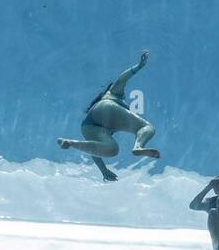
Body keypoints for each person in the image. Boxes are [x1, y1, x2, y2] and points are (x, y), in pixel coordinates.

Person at [57, 51, 159, 181]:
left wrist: (104, 171)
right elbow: (122, 79)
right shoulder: (114, 92)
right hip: (106, 108)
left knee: (112, 150)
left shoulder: (98, 109)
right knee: (146, 127)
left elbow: (94, 150)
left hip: (88, 127)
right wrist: (138, 66)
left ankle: (70, 142)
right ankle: (139, 146)